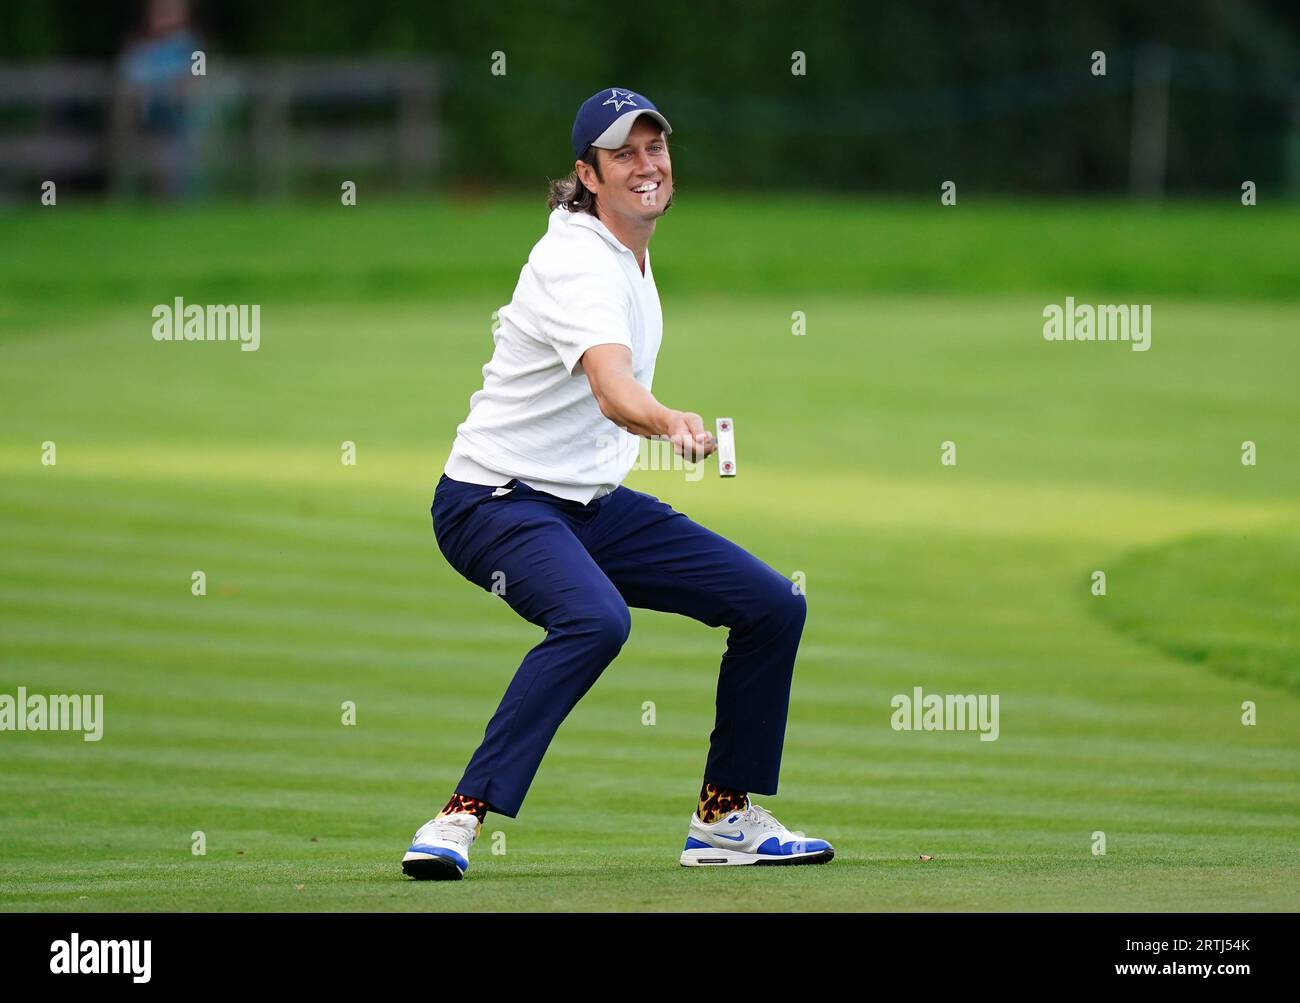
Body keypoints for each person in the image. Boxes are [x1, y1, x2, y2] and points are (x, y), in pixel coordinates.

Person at [402, 87, 833, 879]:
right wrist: (667, 419)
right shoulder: (574, 260)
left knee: (773, 604)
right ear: (587, 174)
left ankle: (723, 817)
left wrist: (661, 423)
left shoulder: (630, 253)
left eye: (654, 148)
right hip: (492, 500)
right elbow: (611, 386)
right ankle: (457, 816)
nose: (646, 166)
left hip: (587, 505)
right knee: (595, 619)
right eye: (623, 154)